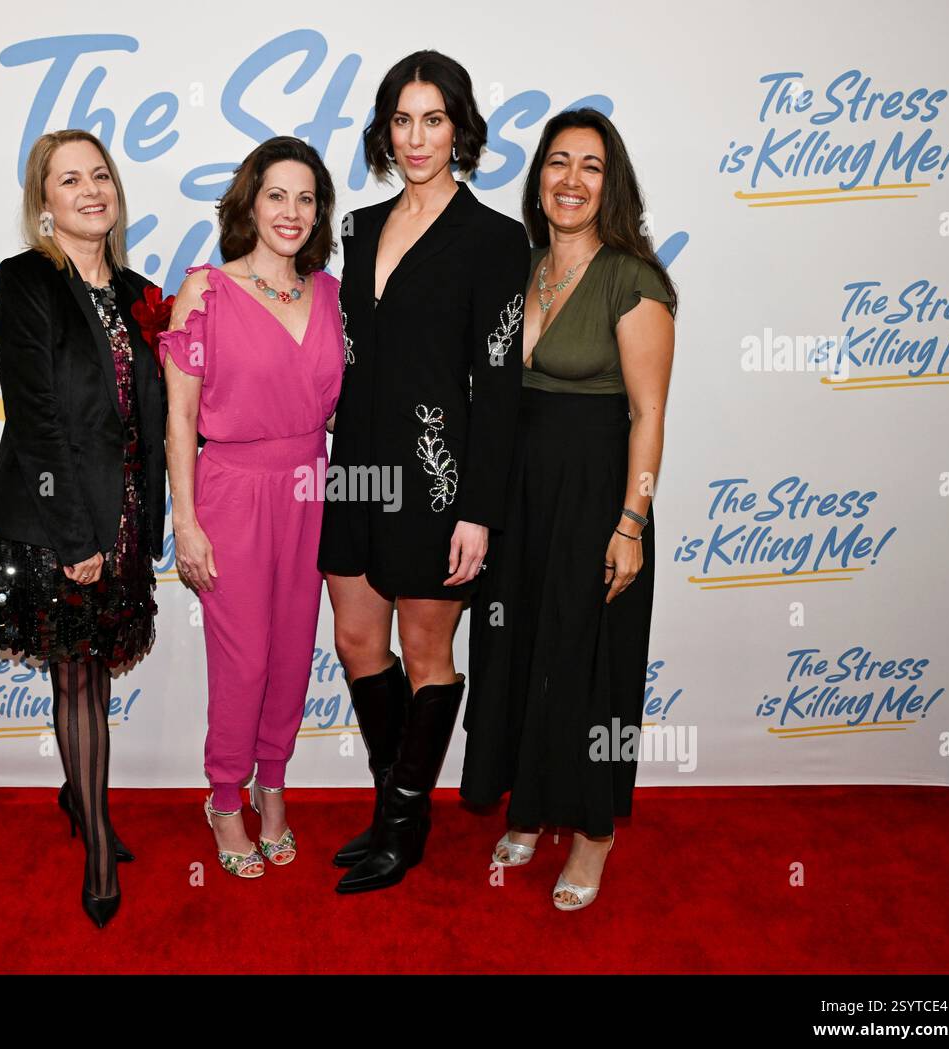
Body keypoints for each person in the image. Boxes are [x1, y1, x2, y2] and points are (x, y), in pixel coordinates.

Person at [318, 51, 530, 894]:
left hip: (439, 483)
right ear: (384, 129)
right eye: (401, 120)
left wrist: (477, 508)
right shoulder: (359, 228)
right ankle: (391, 804)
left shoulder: (494, 239)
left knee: (427, 651)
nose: (415, 138)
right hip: (358, 468)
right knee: (356, 640)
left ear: (459, 129)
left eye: (432, 120)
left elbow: (501, 384)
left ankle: (403, 825)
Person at [460, 108, 676, 911]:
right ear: (538, 179)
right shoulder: (517, 269)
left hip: (595, 496)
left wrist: (632, 524)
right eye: (558, 163)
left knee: (591, 670)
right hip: (518, 492)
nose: (572, 180)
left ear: (609, 184)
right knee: (518, 657)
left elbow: (649, 414)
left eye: (590, 166)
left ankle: (592, 835)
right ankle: (530, 804)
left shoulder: (632, 278)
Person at [0, 129, 167, 929]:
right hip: (58, 519)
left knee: (93, 666)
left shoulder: (139, 292)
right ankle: (95, 838)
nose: (92, 189)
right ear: (44, 203)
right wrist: (72, 539)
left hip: (122, 517)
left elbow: (153, 418)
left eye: (101, 175)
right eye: (70, 180)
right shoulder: (28, 282)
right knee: (79, 678)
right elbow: (36, 419)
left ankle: (74, 792)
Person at [158, 136, 343, 879]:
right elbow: (178, 419)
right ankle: (225, 799)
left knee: (294, 654)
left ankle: (274, 788)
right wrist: (186, 521)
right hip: (231, 491)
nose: (291, 212)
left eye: (306, 198)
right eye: (277, 195)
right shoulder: (204, 290)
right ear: (250, 202)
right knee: (243, 662)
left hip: (310, 488)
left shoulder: (328, 293)